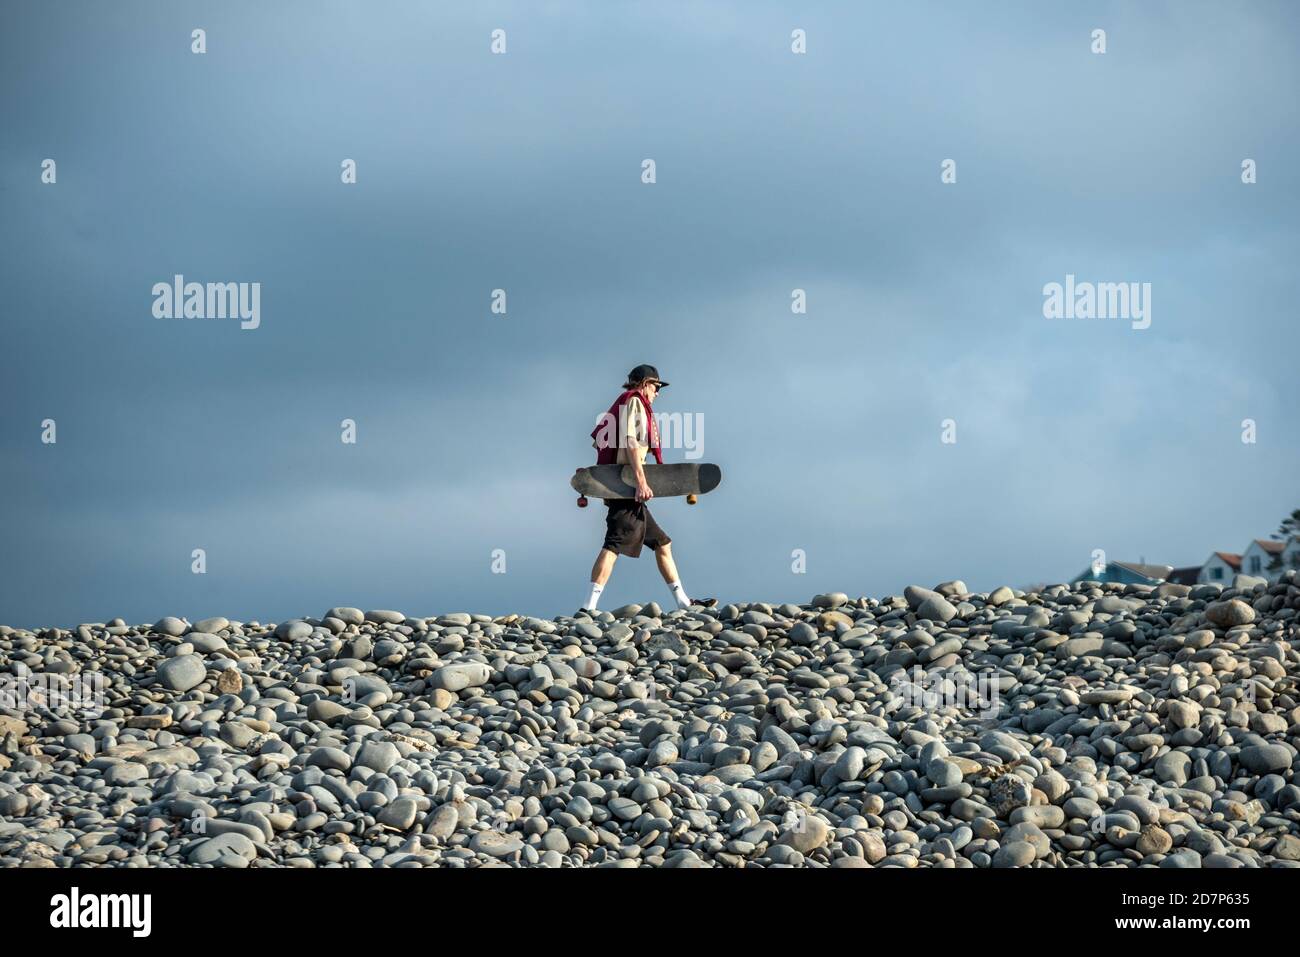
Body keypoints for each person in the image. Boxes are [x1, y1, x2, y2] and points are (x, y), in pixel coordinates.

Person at [580, 364, 713, 614]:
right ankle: (587, 608)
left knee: (662, 543)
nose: (658, 392)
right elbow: (631, 442)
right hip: (627, 487)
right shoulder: (635, 402)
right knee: (613, 544)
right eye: (656, 386)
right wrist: (641, 482)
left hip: (628, 488)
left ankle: (684, 602)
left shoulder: (630, 402)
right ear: (644, 384)